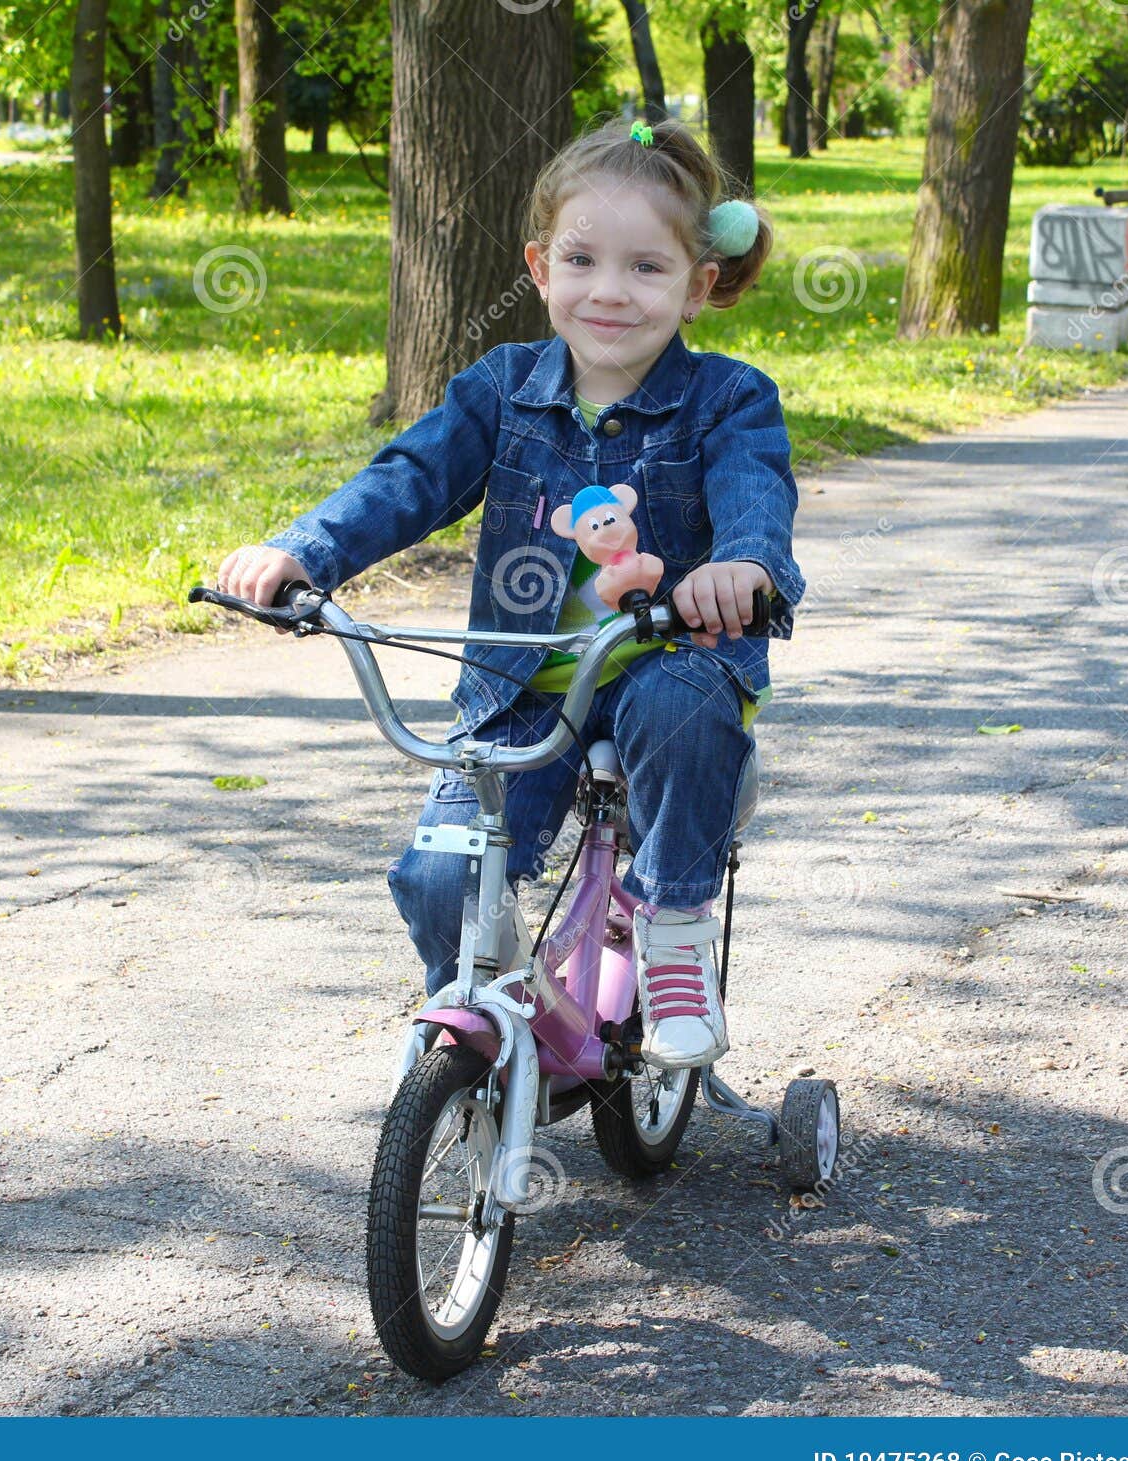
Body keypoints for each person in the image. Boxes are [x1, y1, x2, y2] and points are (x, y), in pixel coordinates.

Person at [215, 117, 805, 1070]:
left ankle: (676, 929)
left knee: (678, 704)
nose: (609, 291)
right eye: (582, 259)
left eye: (647, 269)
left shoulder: (729, 399)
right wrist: (303, 553)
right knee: (441, 875)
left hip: (668, 663)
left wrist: (742, 565)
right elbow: (407, 478)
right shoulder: (502, 389)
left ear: (699, 283)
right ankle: (475, 1010)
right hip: (518, 688)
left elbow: (755, 493)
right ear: (539, 266)